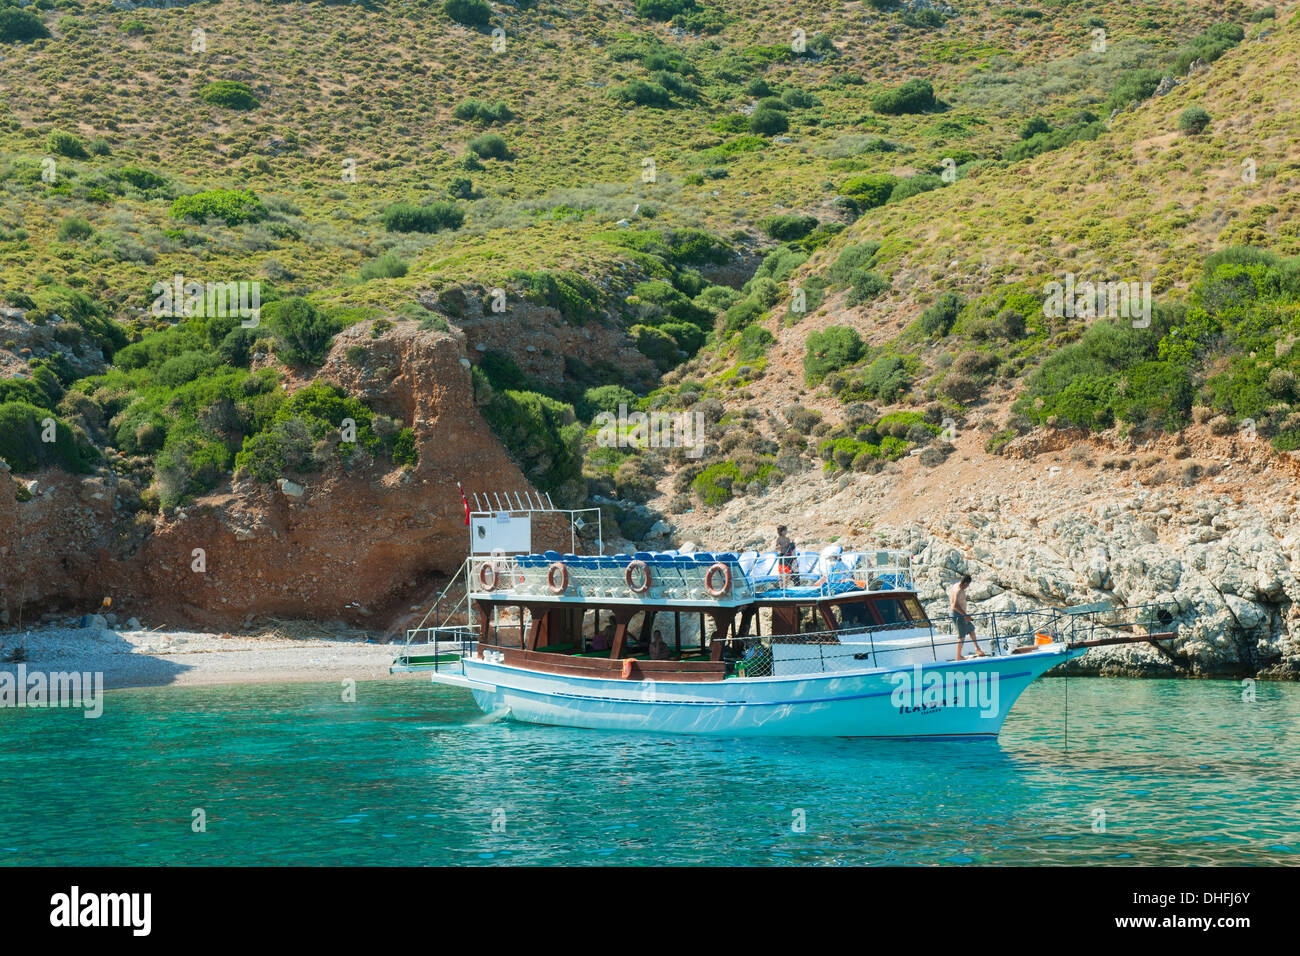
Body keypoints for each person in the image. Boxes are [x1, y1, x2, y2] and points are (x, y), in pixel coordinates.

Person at [948, 574, 986, 661]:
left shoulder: (955, 585)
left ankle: (977, 649)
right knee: (962, 635)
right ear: (965, 583)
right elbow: (954, 606)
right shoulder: (959, 590)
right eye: (968, 585)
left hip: (960, 614)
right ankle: (958, 656)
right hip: (957, 614)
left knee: (971, 629)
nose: (967, 587)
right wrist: (966, 616)